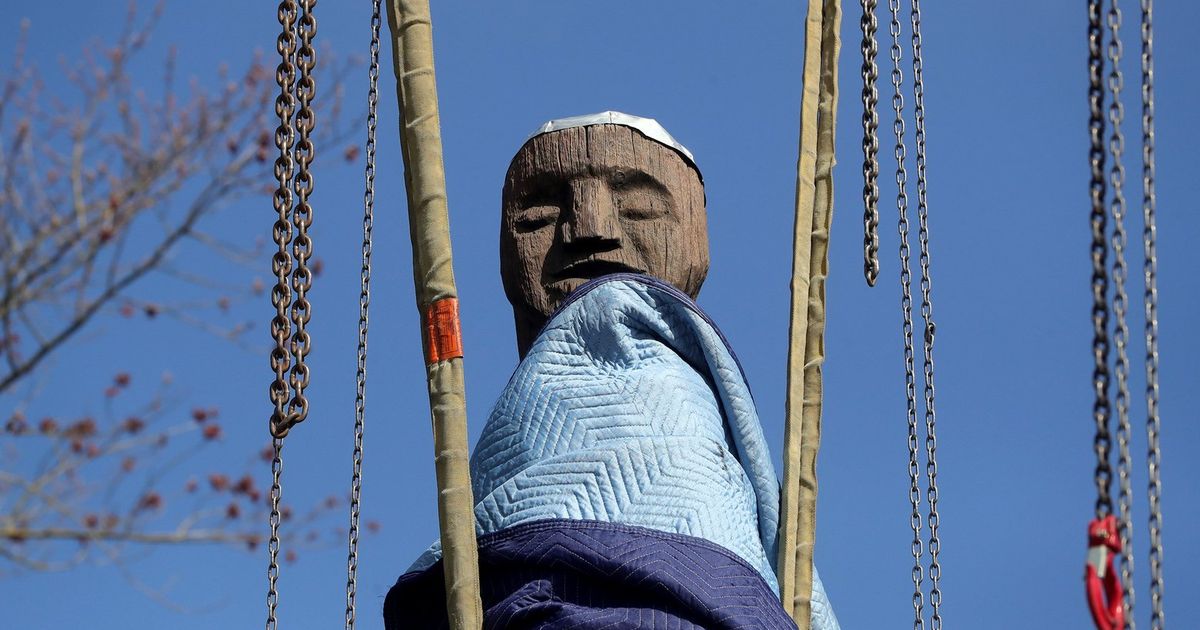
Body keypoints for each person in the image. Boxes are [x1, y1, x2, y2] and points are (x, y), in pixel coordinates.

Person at [385, 112, 839, 629]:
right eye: (536, 216)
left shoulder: (688, 404)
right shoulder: (513, 415)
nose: (591, 228)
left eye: (641, 206)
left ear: (696, 243)